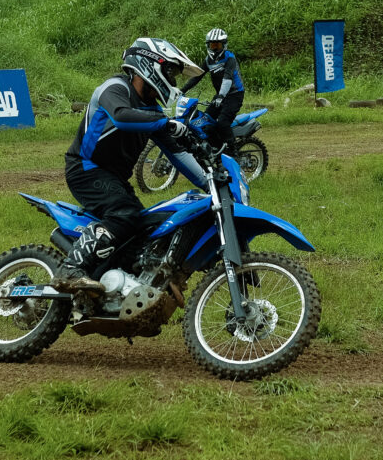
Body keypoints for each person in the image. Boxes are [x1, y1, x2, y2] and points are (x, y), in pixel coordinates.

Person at [54, 37, 208, 295]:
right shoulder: (114, 88)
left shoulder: (152, 110)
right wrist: (166, 123)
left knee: (144, 228)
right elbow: (122, 117)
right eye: (170, 72)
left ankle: (112, 286)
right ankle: (70, 268)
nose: (172, 81)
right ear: (150, 65)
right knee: (124, 213)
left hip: (113, 178)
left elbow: (177, 153)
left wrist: (209, 181)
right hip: (86, 168)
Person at [179, 27, 244, 149]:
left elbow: (227, 78)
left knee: (223, 123)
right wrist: (182, 90)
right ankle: (216, 148)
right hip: (220, 95)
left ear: (224, 45)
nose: (214, 48)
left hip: (235, 95)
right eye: (212, 45)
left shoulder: (230, 58)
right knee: (205, 122)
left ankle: (233, 151)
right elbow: (196, 76)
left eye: (217, 46)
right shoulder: (208, 60)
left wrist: (221, 96)